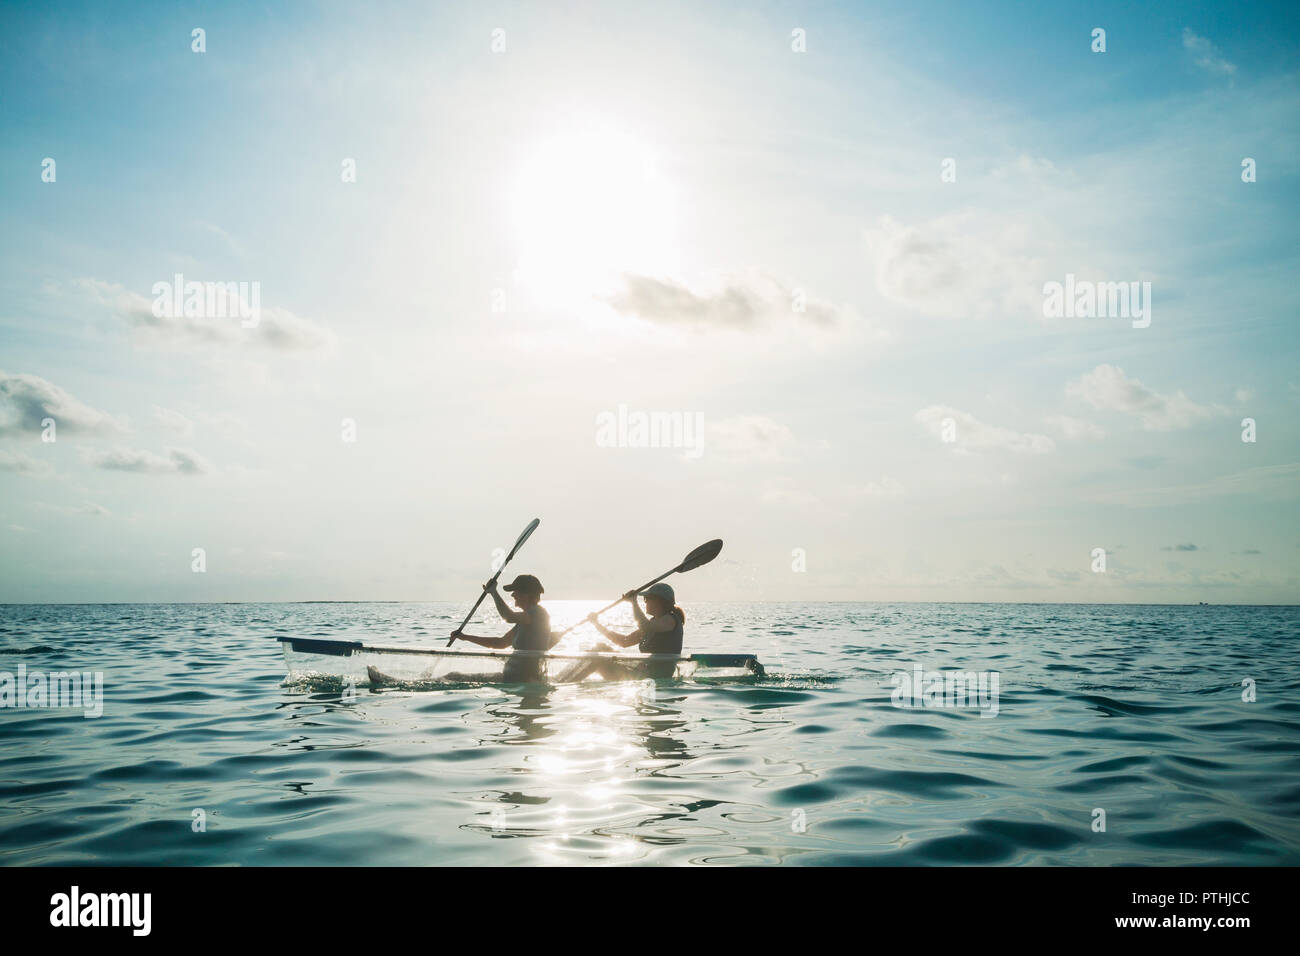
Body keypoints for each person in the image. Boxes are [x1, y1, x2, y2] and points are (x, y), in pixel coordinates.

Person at [449, 574, 554, 681]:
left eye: (515, 591)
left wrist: (494, 593)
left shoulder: (537, 613)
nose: (512, 595)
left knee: (452, 678)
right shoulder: (524, 620)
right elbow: (500, 643)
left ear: (526, 594)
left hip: (522, 679)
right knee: (452, 676)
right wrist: (465, 637)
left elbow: (508, 617)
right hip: (511, 678)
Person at [578, 582, 685, 680]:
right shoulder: (653, 623)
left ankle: (566, 684)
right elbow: (624, 641)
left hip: (655, 677)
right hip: (642, 674)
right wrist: (597, 624)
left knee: (598, 660)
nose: (645, 602)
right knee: (600, 648)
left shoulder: (670, 619)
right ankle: (564, 680)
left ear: (658, 601)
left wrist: (633, 602)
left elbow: (645, 626)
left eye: (646, 599)